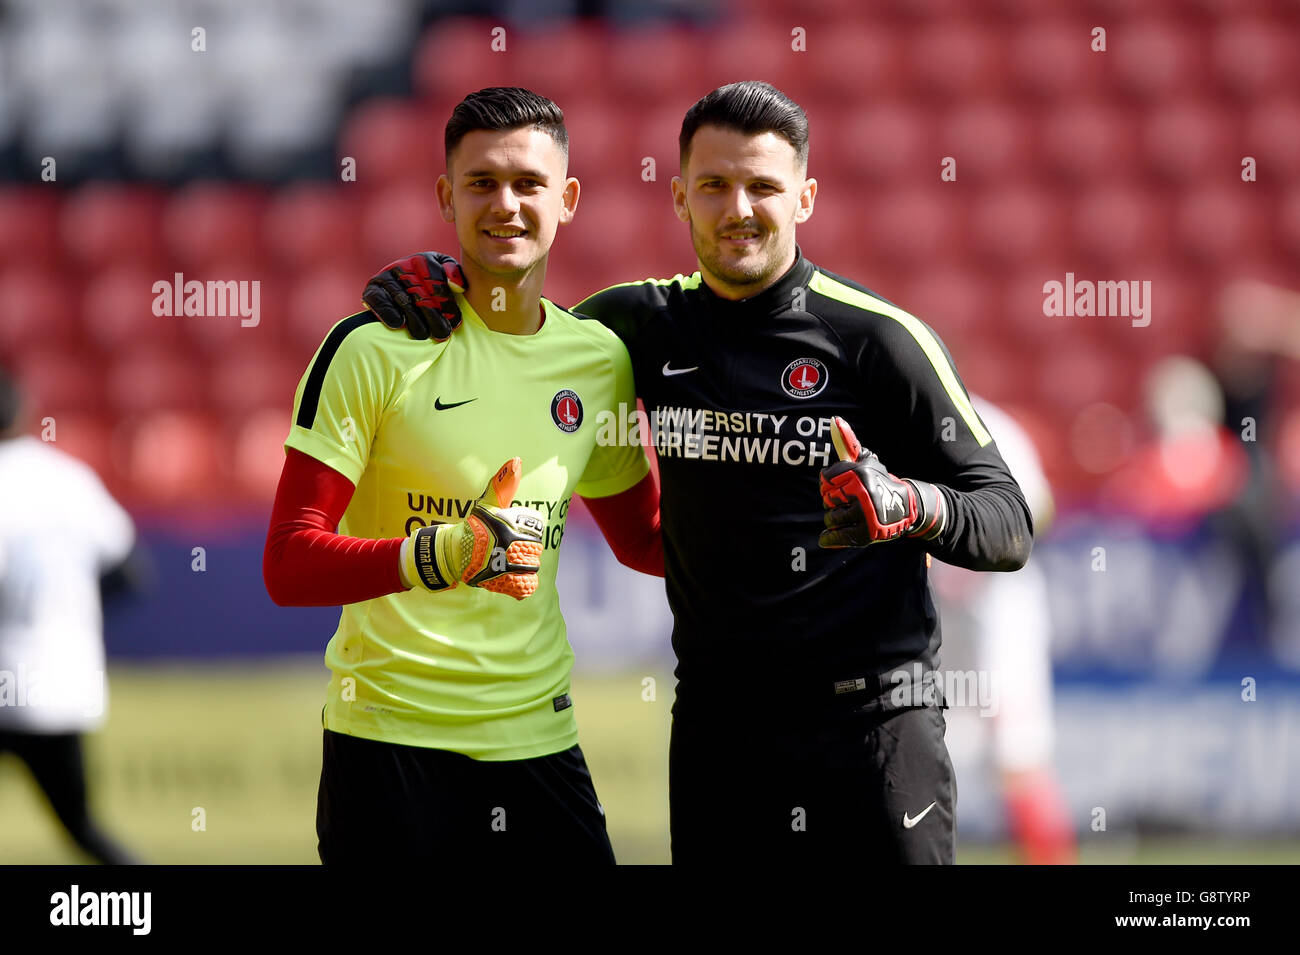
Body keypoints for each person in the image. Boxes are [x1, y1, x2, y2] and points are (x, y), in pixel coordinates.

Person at [359, 81, 1032, 864]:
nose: (737, 207)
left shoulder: (879, 340)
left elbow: (1008, 521)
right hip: (720, 735)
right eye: (713, 185)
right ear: (679, 197)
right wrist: (444, 279)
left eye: (763, 187)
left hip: (873, 731)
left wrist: (909, 502)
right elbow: (524, 341)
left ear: (805, 197)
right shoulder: (635, 323)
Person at [262, 88, 661, 865]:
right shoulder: (372, 347)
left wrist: (799, 532)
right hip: (387, 745)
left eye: (528, 183)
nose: (504, 203)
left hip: (538, 739)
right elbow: (287, 560)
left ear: (568, 199)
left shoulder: (600, 361)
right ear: (446, 196)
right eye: (481, 182)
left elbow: (645, 540)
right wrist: (435, 554)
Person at [0, 367, 142, 864]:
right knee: (83, 829)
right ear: (24, 415)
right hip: (60, 682)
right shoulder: (69, 477)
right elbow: (130, 572)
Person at [929, 397, 1076, 865]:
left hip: (999, 610)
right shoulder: (890, 425)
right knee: (924, 750)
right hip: (932, 615)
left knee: (1019, 754)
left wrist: (980, 540)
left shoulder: (988, 424)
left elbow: (1041, 508)